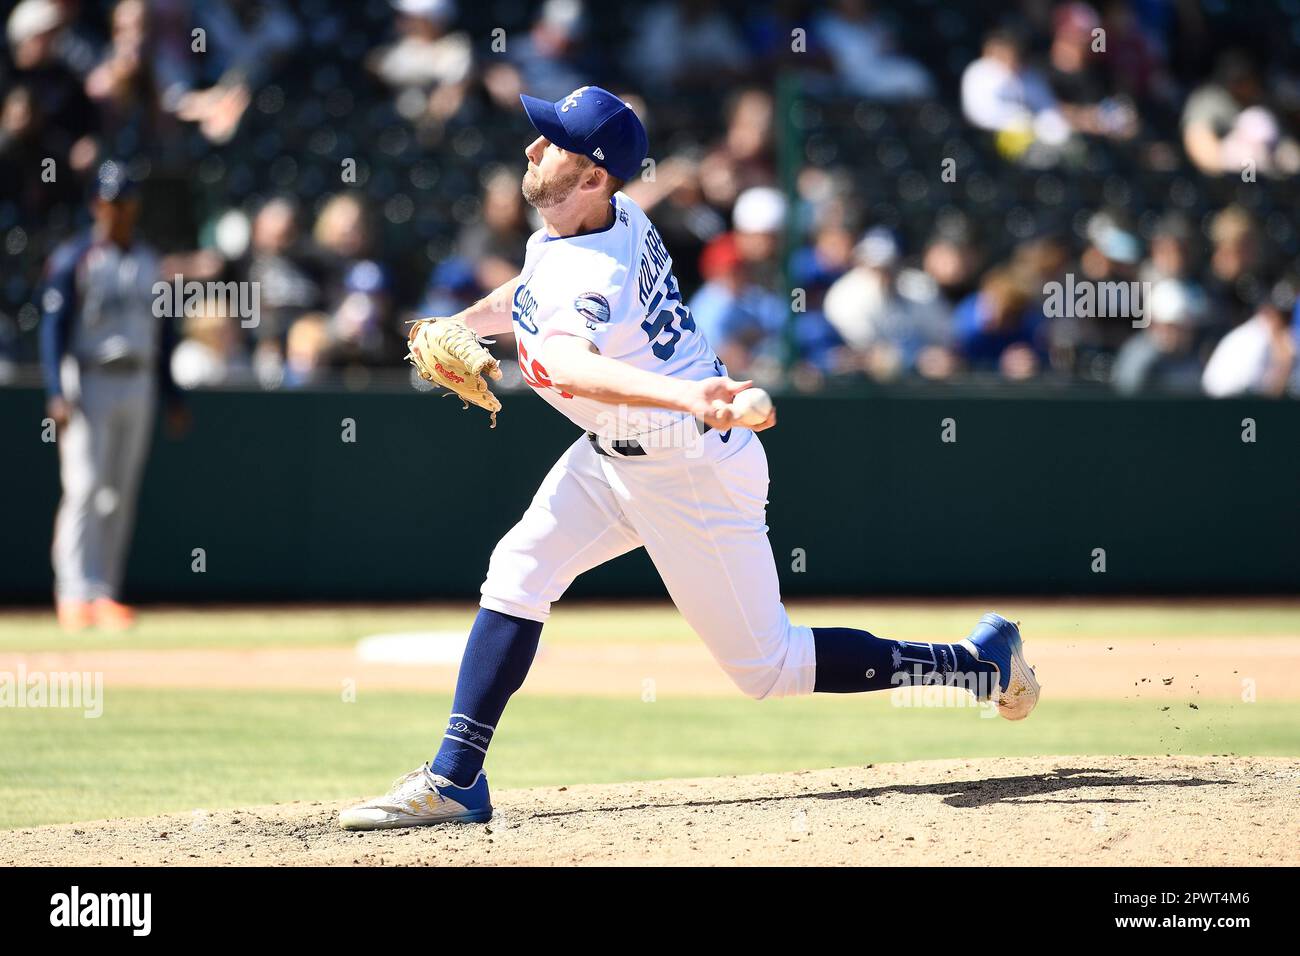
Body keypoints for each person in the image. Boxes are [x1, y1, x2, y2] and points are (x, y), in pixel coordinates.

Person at [339, 86, 1039, 831]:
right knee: (519, 571)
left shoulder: (595, 267)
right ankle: (455, 777)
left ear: (593, 177)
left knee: (769, 670)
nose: (532, 147)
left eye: (553, 142)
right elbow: (534, 292)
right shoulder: (595, 222)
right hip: (619, 454)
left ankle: (977, 664)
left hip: (690, 466)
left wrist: (693, 400)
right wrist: (464, 319)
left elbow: (575, 366)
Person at [39, 161, 187, 631]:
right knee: (84, 486)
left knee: (118, 492)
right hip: (89, 375)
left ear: (134, 206)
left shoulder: (149, 261)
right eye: (109, 202)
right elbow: (53, 328)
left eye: (124, 202)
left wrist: (173, 395)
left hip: (138, 378)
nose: (116, 211)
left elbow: (164, 336)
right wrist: (54, 390)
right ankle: (72, 592)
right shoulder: (75, 258)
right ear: (95, 205)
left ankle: (103, 593)